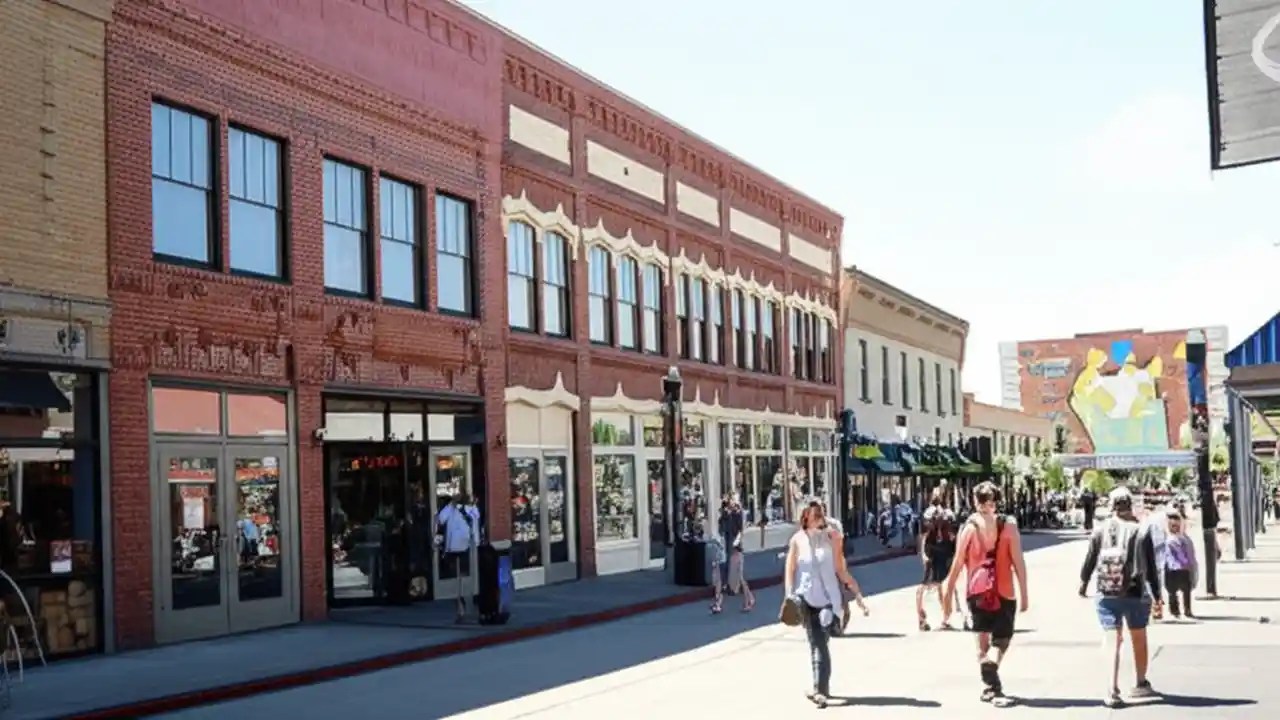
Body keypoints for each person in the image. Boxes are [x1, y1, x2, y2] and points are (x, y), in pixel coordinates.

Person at [943, 481, 1029, 707]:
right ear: (997, 502)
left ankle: (990, 685)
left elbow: (958, 562)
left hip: (976, 591)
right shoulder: (1009, 527)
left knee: (980, 638)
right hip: (1004, 591)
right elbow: (1018, 561)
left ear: (975, 500)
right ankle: (993, 667)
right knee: (1002, 638)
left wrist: (948, 593)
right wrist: (1025, 593)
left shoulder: (970, 527)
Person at [1079, 487, 1163, 708]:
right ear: (1130, 505)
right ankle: (1140, 683)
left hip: (1106, 591)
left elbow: (1090, 559)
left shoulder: (1100, 530)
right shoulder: (1140, 531)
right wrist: (1157, 595)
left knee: (1112, 640)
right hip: (1135, 591)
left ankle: (1111, 688)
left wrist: (1083, 584)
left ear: (1112, 506)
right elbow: (1151, 567)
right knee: (1138, 637)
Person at [783, 501, 867, 708]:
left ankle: (820, 689)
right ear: (805, 517)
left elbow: (840, 568)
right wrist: (788, 595)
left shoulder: (832, 538)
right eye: (815, 515)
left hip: (828, 600)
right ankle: (820, 689)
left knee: (821, 636)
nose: (819, 518)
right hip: (805, 597)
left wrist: (856, 593)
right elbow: (790, 568)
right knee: (816, 643)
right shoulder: (797, 540)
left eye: (821, 514)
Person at [917, 488, 959, 631]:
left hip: (933, 551)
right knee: (944, 584)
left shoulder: (928, 513)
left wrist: (923, 553)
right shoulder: (949, 514)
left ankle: (923, 618)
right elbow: (954, 536)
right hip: (945, 552)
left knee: (927, 584)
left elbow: (923, 536)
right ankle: (945, 617)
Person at [436, 493, 480, 622]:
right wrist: (476, 541)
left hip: (457, 547)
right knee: (461, 577)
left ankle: (462, 604)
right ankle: (462, 604)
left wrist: (450, 505)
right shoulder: (466, 510)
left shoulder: (459, 510)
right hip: (461, 547)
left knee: (459, 577)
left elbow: (440, 518)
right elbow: (441, 519)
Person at [714, 495, 754, 613]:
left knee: (739, 578)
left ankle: (749, 600)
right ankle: (718, 604)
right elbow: (720, 531)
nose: (727, 506)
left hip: (735, 550)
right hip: (725, 551)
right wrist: (723, 516)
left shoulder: (737, 514)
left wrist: (736, 543)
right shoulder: (725, 517)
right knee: (721, 578)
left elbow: (740, 531)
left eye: (729, 503)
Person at [1163, 510, 1198, 619]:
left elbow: (1191, 554)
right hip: (1171, 569)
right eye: (1172, 526)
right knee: (1171, 591)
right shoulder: (1167, 539)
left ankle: (1187, 609)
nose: (1175, 528)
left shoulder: (1185, 539)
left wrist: (1192, 566)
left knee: (1186, 590)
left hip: (1184, 568)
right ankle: (1175, 610)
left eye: (1177, 525)